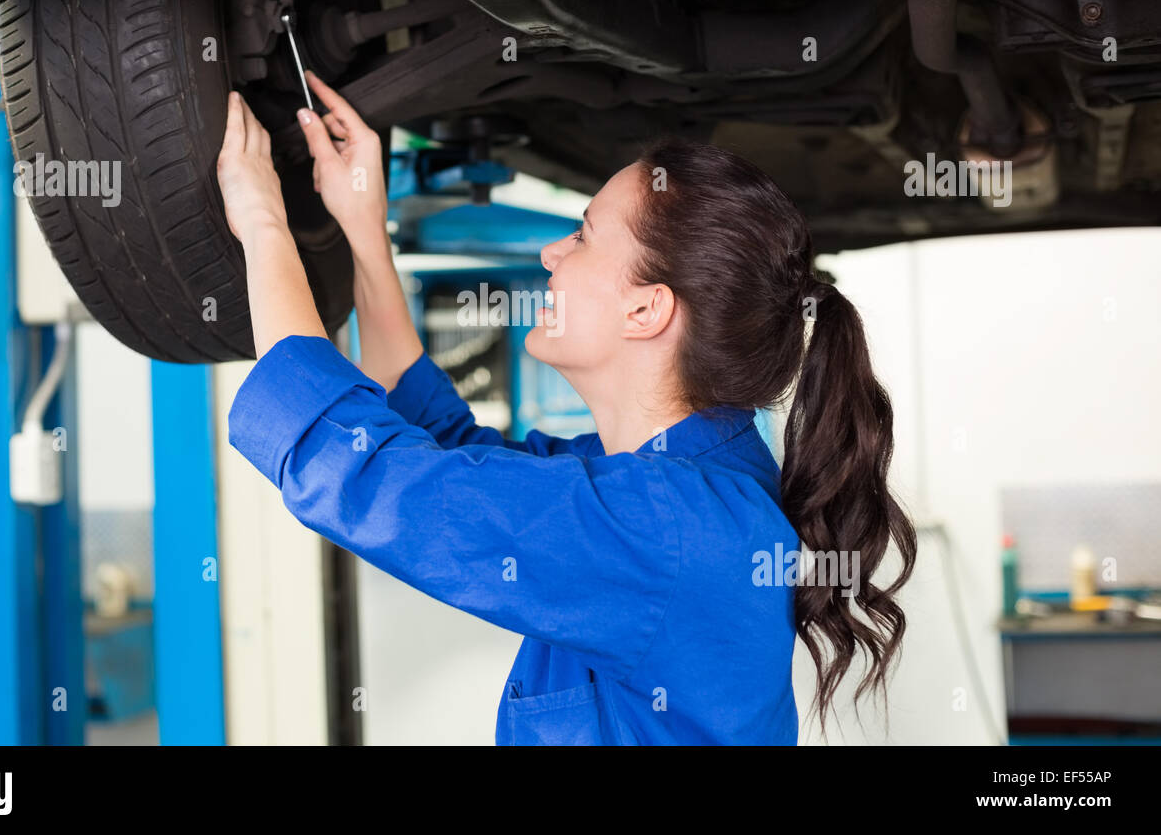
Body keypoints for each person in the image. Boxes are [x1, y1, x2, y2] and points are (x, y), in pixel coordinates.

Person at [217, 75, 916, 745]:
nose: (553, 253)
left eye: (581, 235)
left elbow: (355, 469)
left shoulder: (662, 525)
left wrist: (261, 221)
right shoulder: (689, 475)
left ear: (646, 309)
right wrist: (364, 225)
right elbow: (447, 445)